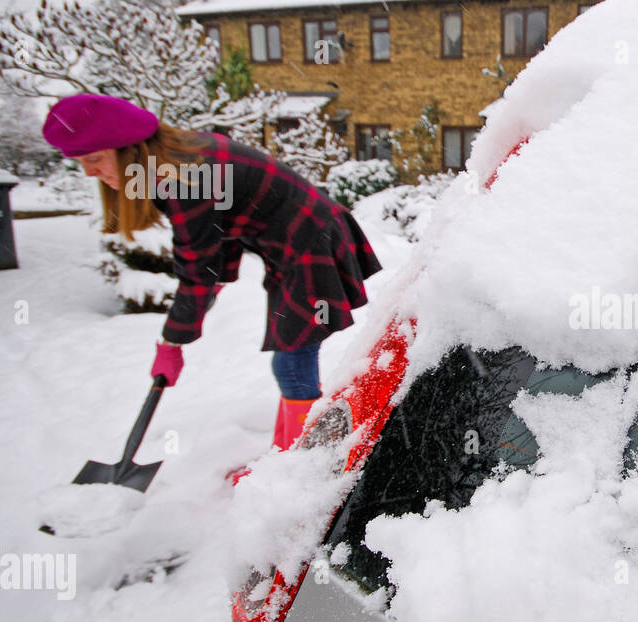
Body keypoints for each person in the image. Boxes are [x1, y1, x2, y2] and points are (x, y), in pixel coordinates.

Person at [41, 93, 382, 474]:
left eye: (94, 159)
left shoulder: (183, 177)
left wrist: (173, 340)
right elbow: (221, 232)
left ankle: (304, 469)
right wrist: (203, 297)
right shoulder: (177, 160)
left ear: (130, 148)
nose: (88, 173)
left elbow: (196, 268)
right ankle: (289, 456)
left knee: (292, 362)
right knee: (291, 360)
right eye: (80, 162)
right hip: (296, 242)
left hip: (309, 243)